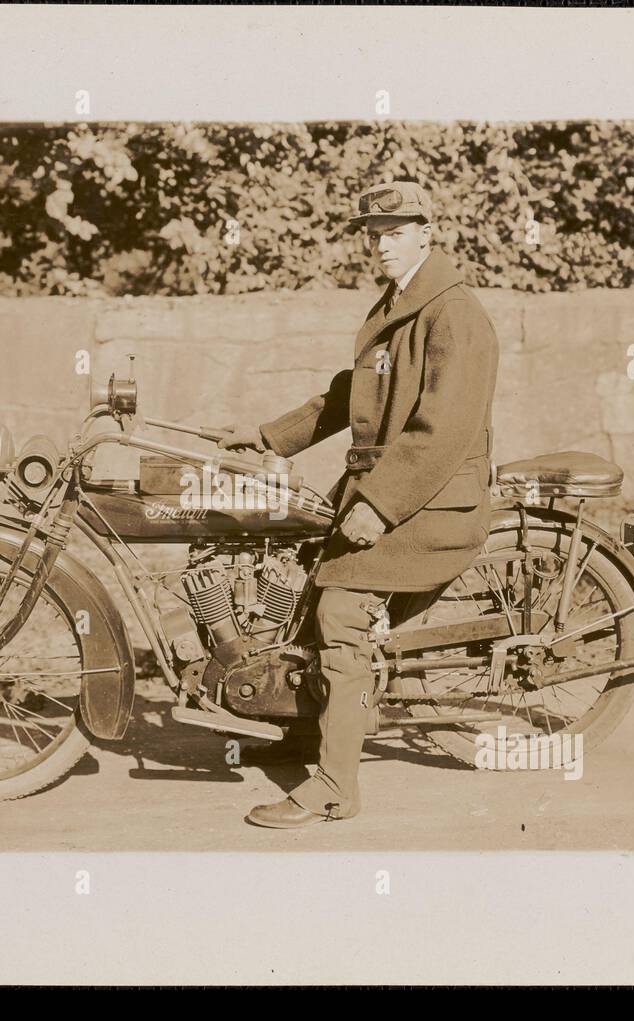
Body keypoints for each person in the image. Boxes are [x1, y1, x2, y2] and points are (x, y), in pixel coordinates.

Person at [220, 180, 499, 828]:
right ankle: (306, 727)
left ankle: (334, 786)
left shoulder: (453, 313)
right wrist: (271, 437)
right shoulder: (398, 304)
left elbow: (442, 428)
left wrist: (377, 504)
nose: (379, 243)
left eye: (394, 232)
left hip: (432, 502)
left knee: (342, 610)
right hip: (398, 492)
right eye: (372, 233)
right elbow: (350, 395)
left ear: (427, 232)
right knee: (301, 577)